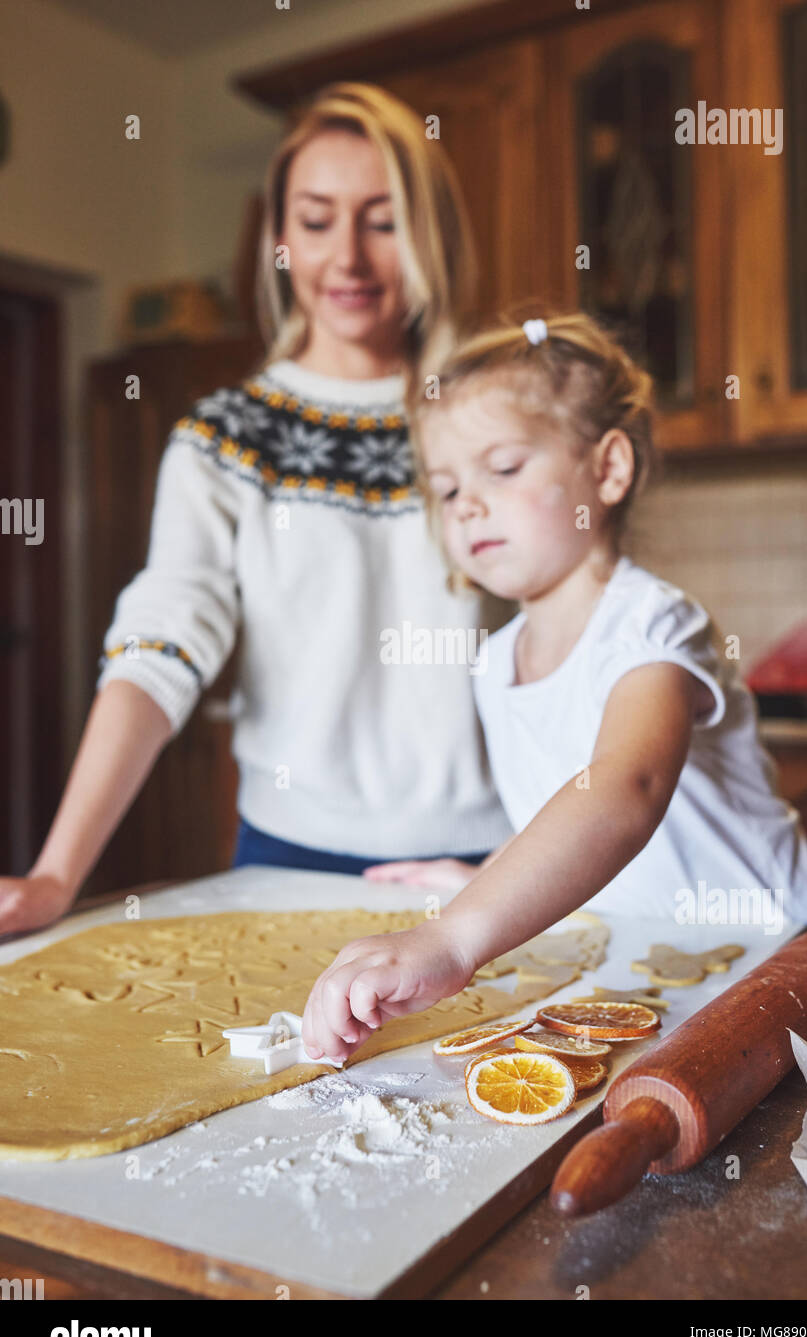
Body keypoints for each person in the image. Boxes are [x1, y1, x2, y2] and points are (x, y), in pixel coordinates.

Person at [0, 83, 513, 939]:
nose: (345, 258)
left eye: (381, 221)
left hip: (500, 862)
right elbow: (160, 645)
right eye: (315, 221)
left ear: (430, 236)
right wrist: (57, 874)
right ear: (280, 240)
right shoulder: (225, 438)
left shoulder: (496, 420)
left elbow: (582, 626)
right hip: (290, 863)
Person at [300, 312, 807, 1063]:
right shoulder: (495, 663)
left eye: (501, 467)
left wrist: (453, 934)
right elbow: (565, 824)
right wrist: (485, 876)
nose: (465, 503)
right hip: (668, 987)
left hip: (788, 974)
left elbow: (621, 791)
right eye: (446, 486)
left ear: (609, 469)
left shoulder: (652, 625)